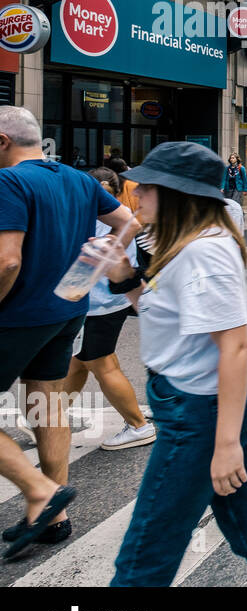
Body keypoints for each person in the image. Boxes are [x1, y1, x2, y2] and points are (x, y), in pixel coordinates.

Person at [103, 142, 247, 586]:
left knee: (147, 550)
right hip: (204, 402)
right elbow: (171, 320)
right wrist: (124, 276)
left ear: (178, 193)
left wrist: (225, 445)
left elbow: (234, 347)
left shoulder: (203, 253)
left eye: (147, 186)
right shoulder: (183, 244)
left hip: (201, 409)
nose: (135, 193)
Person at [0, 107, 136, 558]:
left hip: (17, 315)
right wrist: (88, 273)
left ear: (3, 141)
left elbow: (8, 261)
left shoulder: (10, 182)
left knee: (44, 401)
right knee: (45, 400)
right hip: (67, 311)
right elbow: (129, 223)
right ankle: (54, 518)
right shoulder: (78, 179)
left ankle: (39, 492)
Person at [54, 168, 155, 453]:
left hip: (96, 303)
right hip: (109, 301)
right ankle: (50, 418)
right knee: (78, 361)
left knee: (101, 364)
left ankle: (138, 425)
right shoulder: (118, 214)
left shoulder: (94, 217)